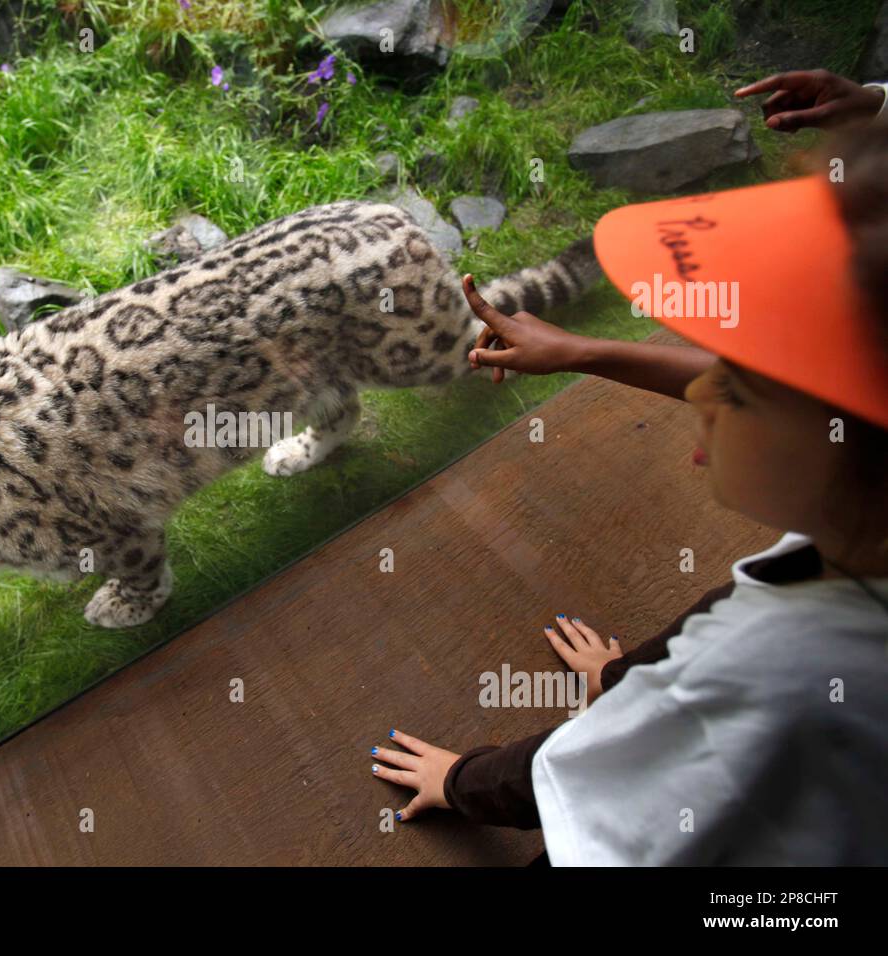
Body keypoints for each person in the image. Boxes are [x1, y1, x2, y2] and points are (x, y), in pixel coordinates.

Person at [369, 108, 888, 865]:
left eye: (736, 387)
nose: (701, 396)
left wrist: (462, 781)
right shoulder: (856, 541)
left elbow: (576, 782)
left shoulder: (771, 669)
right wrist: (625, 679)